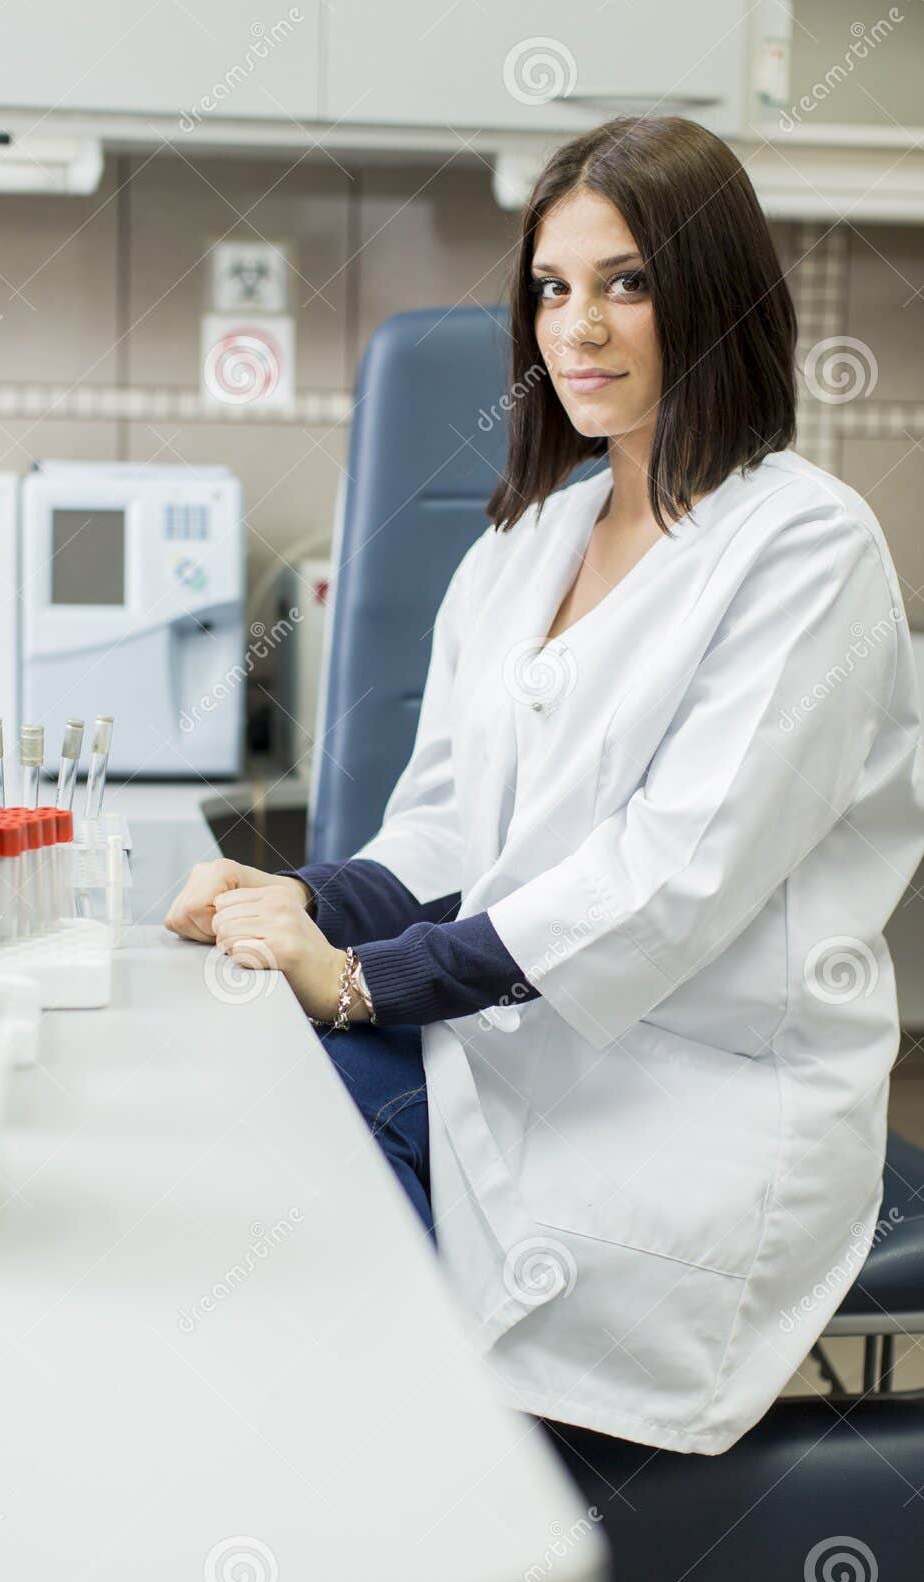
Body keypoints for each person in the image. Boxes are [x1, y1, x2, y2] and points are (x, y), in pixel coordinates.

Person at [165, 116, 924, 1457]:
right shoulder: (532, 539)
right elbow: (449, 823)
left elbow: (665, 885)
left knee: (328, 1194)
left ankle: (407, 1521)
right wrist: (295, 894)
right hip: (520, 1037)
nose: (579, 327)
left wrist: (356, 979)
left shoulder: (805, 549)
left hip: (693, 1092)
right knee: (268, 1117)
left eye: (628, 282)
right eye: (554, 288)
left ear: (715, 296)